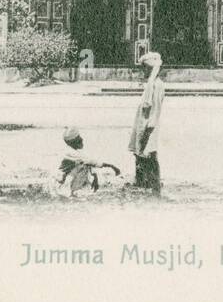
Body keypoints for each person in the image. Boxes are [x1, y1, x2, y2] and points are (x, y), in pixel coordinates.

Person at [128, 51, 166, 194]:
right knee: (140, 155)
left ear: (150, 68)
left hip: (148, 126)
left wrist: (148, 130)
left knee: (149, 155)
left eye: (144, 68)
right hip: (142, 125)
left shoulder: (156, 85)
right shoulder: (151, 84)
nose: (142, 71)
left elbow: (155, 110)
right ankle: (143, 184)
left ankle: (154, 187)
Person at [57, 127, 122, 197]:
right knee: (83, 166)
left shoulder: (69, 151)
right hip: (64, 182)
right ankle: (75, 191)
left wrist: (95, 176)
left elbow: (89, 163)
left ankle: (77, 189)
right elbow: (93, 162)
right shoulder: (74, 154)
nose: (82, 139)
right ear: (72, 143)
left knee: (84, 165)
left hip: (63, 180)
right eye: (78, 139)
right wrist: (113, 166)